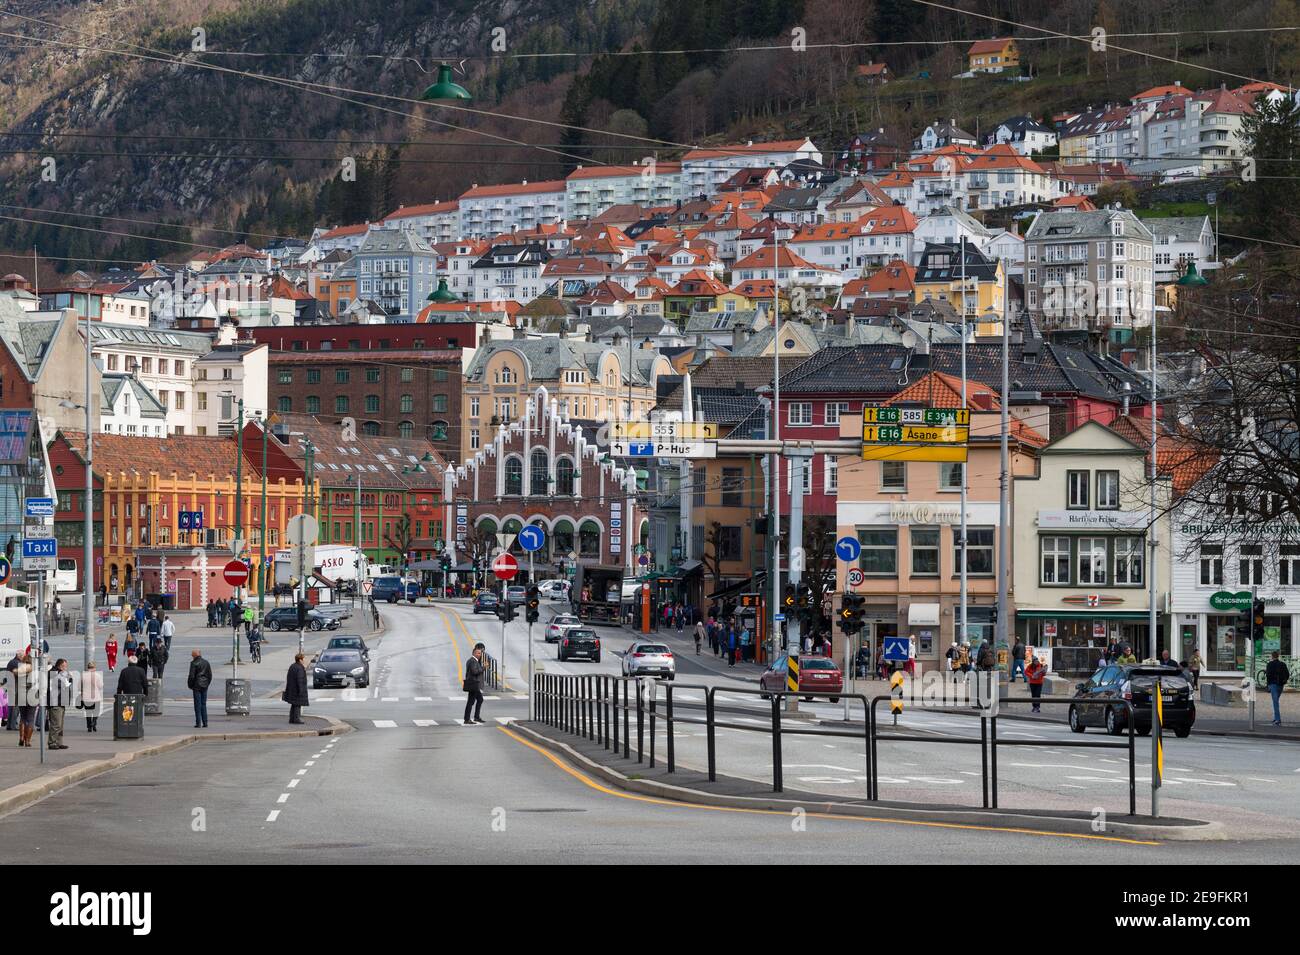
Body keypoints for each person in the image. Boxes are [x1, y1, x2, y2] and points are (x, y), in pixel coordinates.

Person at [46, 659, 73, 750]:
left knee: (60, 725)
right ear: (60, 666)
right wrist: (68, 679)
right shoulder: (53, 673)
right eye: (65, 666)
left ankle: (59, 742)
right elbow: (61, 685)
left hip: (60, 701)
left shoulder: (59, 673)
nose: (66, 668)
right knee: (56, 724)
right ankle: (52, 742)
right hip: (55, 702)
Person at [187, 649, 212, 729]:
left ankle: (198, 723)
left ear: (194, 655)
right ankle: (205, 722)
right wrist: (207, 683)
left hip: (197, 685)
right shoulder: (206, 662)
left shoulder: (194, 663)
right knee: (203, 704)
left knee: (197, 705)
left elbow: (191, 676)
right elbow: (210, 675)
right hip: (205, 685)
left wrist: (190, 685)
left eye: (192, 655)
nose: (191, 656)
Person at [14, 654, 36, 747]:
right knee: (30, 718)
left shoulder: (18, 672)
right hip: (32, 697)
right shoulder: (35, 672)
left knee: (23, 717)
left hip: (21, 696)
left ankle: (21, 738)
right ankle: (27, 741)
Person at [463, 643, 486, 725]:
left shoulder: (474, 661)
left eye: (480, 653)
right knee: (471, 702)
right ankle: (467, 719)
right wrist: (484, 667)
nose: (479, 655)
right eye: (478, 653)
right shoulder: (472, 661)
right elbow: (475, 672)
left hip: (474, 684)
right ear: (473, 653)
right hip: (473, 684)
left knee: (479, 700)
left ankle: (476, 717)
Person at [1265, 651, 1290, 727]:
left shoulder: (1270, 664)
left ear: (1272, 656)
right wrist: (1284, 681)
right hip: (1280, 685)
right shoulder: (1282, 664)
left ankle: (1278, 720)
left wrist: (1268, 685)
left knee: (1275, 702)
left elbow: (1268, 675)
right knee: (1276, 701)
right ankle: (1276, 718)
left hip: (1273, 684)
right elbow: (1287, 674)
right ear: (1278, 656)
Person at [284, 653, 309, 724]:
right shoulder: (300, 668)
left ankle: (292, 718)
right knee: (298, 704)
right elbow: (300, 679)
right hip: (297, 689)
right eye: (303, 659)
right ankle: (296, 719)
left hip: (292, 689)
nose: (304, 660)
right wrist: (301, 690)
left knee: (294, 704)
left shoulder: (292, 666)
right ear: (300, 660)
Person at [81, 661, 104, 732]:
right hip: (95, 697)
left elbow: (79, 686)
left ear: (88, 668)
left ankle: (89, 727)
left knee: (88, 712)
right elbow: (100, 686)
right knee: (96, 711)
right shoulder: (98, 675)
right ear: (94, 668)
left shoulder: (83, 675)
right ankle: (94, 723)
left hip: (86, 697)